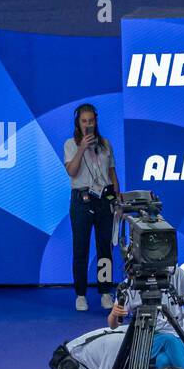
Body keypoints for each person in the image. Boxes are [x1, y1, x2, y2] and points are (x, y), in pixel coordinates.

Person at [102, 264, 184, 369]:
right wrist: (114, 313)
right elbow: (112, 325)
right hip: (145, 342)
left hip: (179, 339)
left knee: (163, 360)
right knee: (168, 340)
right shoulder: (131, 283)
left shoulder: (176, 274)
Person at [64, 103, 120, 313]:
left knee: (104, 247)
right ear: (78, 123)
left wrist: (117, 198)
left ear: (96, 120)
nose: (88, 124)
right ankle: (80, 294)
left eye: (91, 120)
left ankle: (105, 291)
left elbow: (112, 172)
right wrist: (82, 148)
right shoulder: (70, 144)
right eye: (84, 121)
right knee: (81, 248)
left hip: (104, 199)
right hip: (81, 199)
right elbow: (72, 170)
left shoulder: (105, 144)